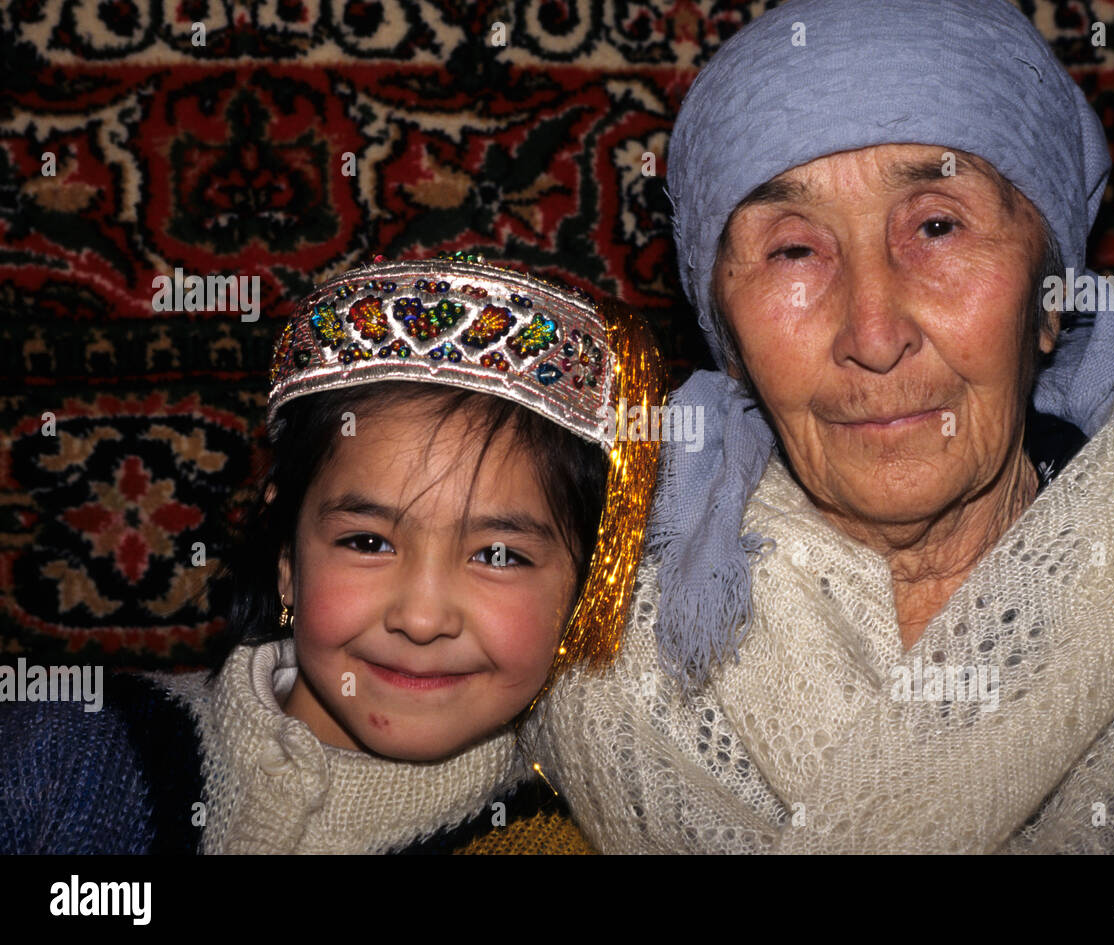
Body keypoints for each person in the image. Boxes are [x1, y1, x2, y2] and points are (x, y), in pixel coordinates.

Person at [535, 0, 1114, 853]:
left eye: (938, 225)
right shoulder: (594, 648)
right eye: (793, 249)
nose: (873, 332)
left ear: (1049, 303)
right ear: (733, 344)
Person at [0, 252, 665, 854]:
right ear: (287, 556)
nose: (423, 617)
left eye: (497, 555)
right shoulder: (69, 749)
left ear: (584, 592)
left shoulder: (541, 846)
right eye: (368, 541)